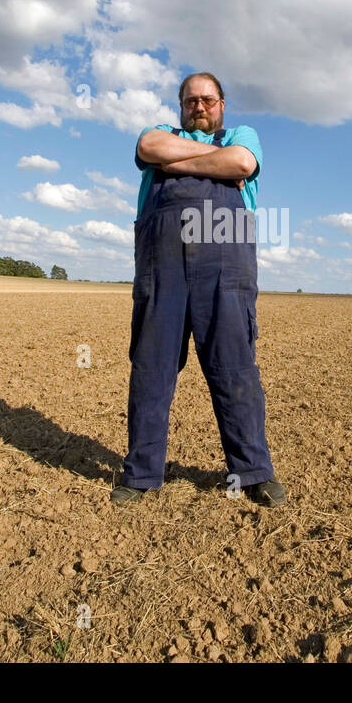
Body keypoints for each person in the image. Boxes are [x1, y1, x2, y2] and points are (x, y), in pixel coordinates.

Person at [113, 72, 285, 507]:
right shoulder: (159, 135)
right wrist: (212, 158)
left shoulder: (242, 136)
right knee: (151, 370)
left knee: (235, 370)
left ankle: (252, 472)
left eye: (208, 99)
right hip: (162, 268)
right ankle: (141, 474)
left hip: (225, 273)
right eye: (191, 101)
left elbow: (242, 163)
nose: (200, 107)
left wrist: (178, 163)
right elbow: (148, 149)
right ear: (181, 106)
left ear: (222, 104)